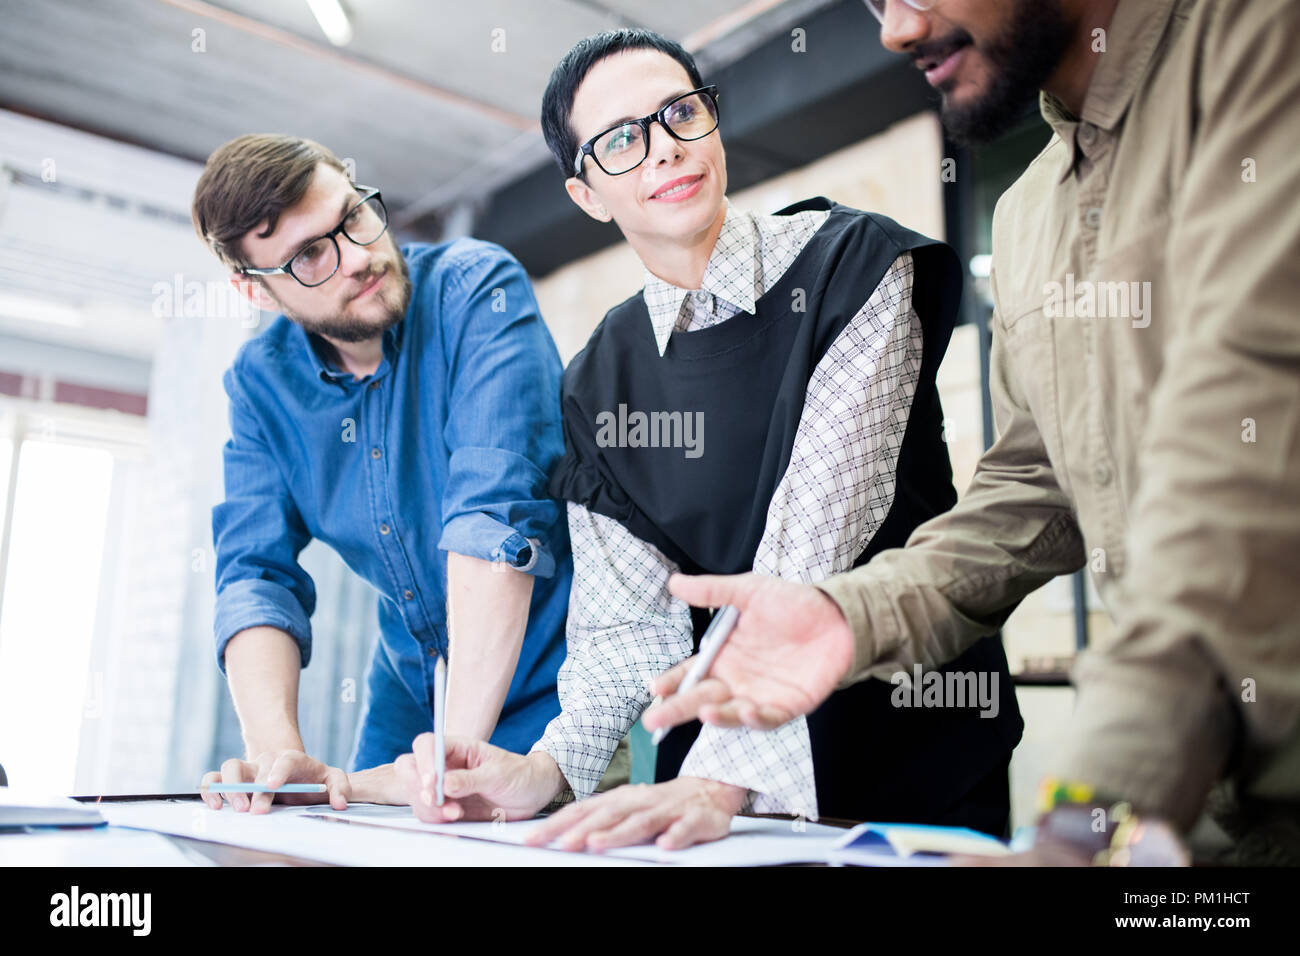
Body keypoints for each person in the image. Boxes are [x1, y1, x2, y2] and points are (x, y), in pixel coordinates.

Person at [643, 0, 1300, 865]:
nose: (896, 29)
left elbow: (1236, 478)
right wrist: (848, 614)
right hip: (1229, 824)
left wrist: (1086, 819)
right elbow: (1029, 496)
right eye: (876, 0)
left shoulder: (1258, 41)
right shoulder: (1029, 218)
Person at [371, 27, 1024, 851]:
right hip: (715, 810)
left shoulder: (853, 265)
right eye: (620, 140)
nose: (665, 151)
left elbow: (811, 547)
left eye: (680, 113)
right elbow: (624, 630)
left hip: (911, 754)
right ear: (587, 195)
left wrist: (717, 778)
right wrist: (546, 770)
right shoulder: (596, 381)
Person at [191, 134, 575, 812]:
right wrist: (278, 758)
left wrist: (445, 768)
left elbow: (494, 520)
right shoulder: (260, 386)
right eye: (310, 255)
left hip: (556, 680)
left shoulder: (474, 290)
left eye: (355, 216)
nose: (360, 258)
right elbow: (255, 574)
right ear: (257, 291)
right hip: (410, 685)